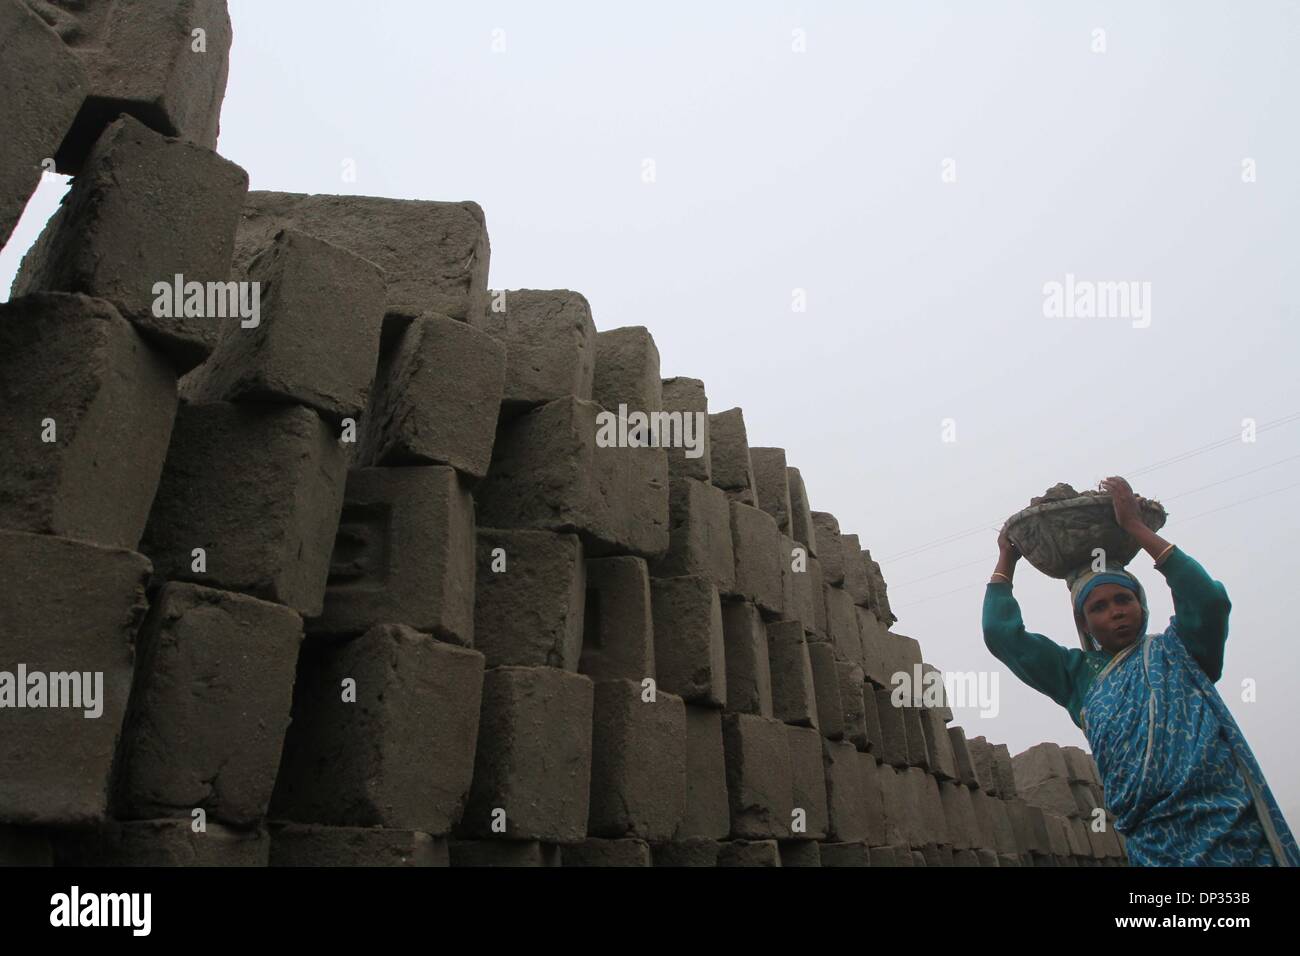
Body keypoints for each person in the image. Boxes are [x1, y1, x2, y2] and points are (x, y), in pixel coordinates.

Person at [982, 475, 1298, 866]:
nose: (1114, 611)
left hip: (1233, 837)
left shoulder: (1180, 650)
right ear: (1084, 624)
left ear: (1142, 605)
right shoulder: (1077, 678)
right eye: (1098, 607)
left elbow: (1209, 599)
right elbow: (1001, 635)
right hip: (1154, 849)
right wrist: (1006, 560)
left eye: (1123, 599)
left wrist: (1135, 527)